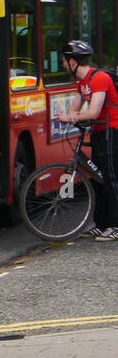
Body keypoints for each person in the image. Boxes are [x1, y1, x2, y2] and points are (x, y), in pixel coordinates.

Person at [59, 40, 118, 241]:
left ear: (73, 61)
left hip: (112, 129)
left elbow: (93, 111)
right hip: (100, 130)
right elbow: (75, 108)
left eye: (65, 61)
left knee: (110, 177)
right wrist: (70, 116)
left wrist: (72, 117)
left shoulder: (98, 78)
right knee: (97, 177)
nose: (63, 65)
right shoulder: (82, 83)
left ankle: (116, 225)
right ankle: (102, 224)